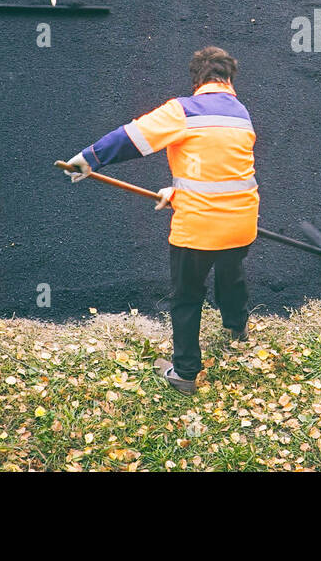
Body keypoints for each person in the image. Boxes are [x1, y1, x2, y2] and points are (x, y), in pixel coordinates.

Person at [63, 46, 258, 395]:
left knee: (186, 297)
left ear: (197, 80)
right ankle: (237, 328)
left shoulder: (184, 110)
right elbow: (220, 168)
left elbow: (131, 138)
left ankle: (184, 373)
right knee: (231, 274)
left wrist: (88, 158)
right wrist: (177, 191)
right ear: (229, 80)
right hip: (242, 222)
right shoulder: (241, 113)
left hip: (198, 229)